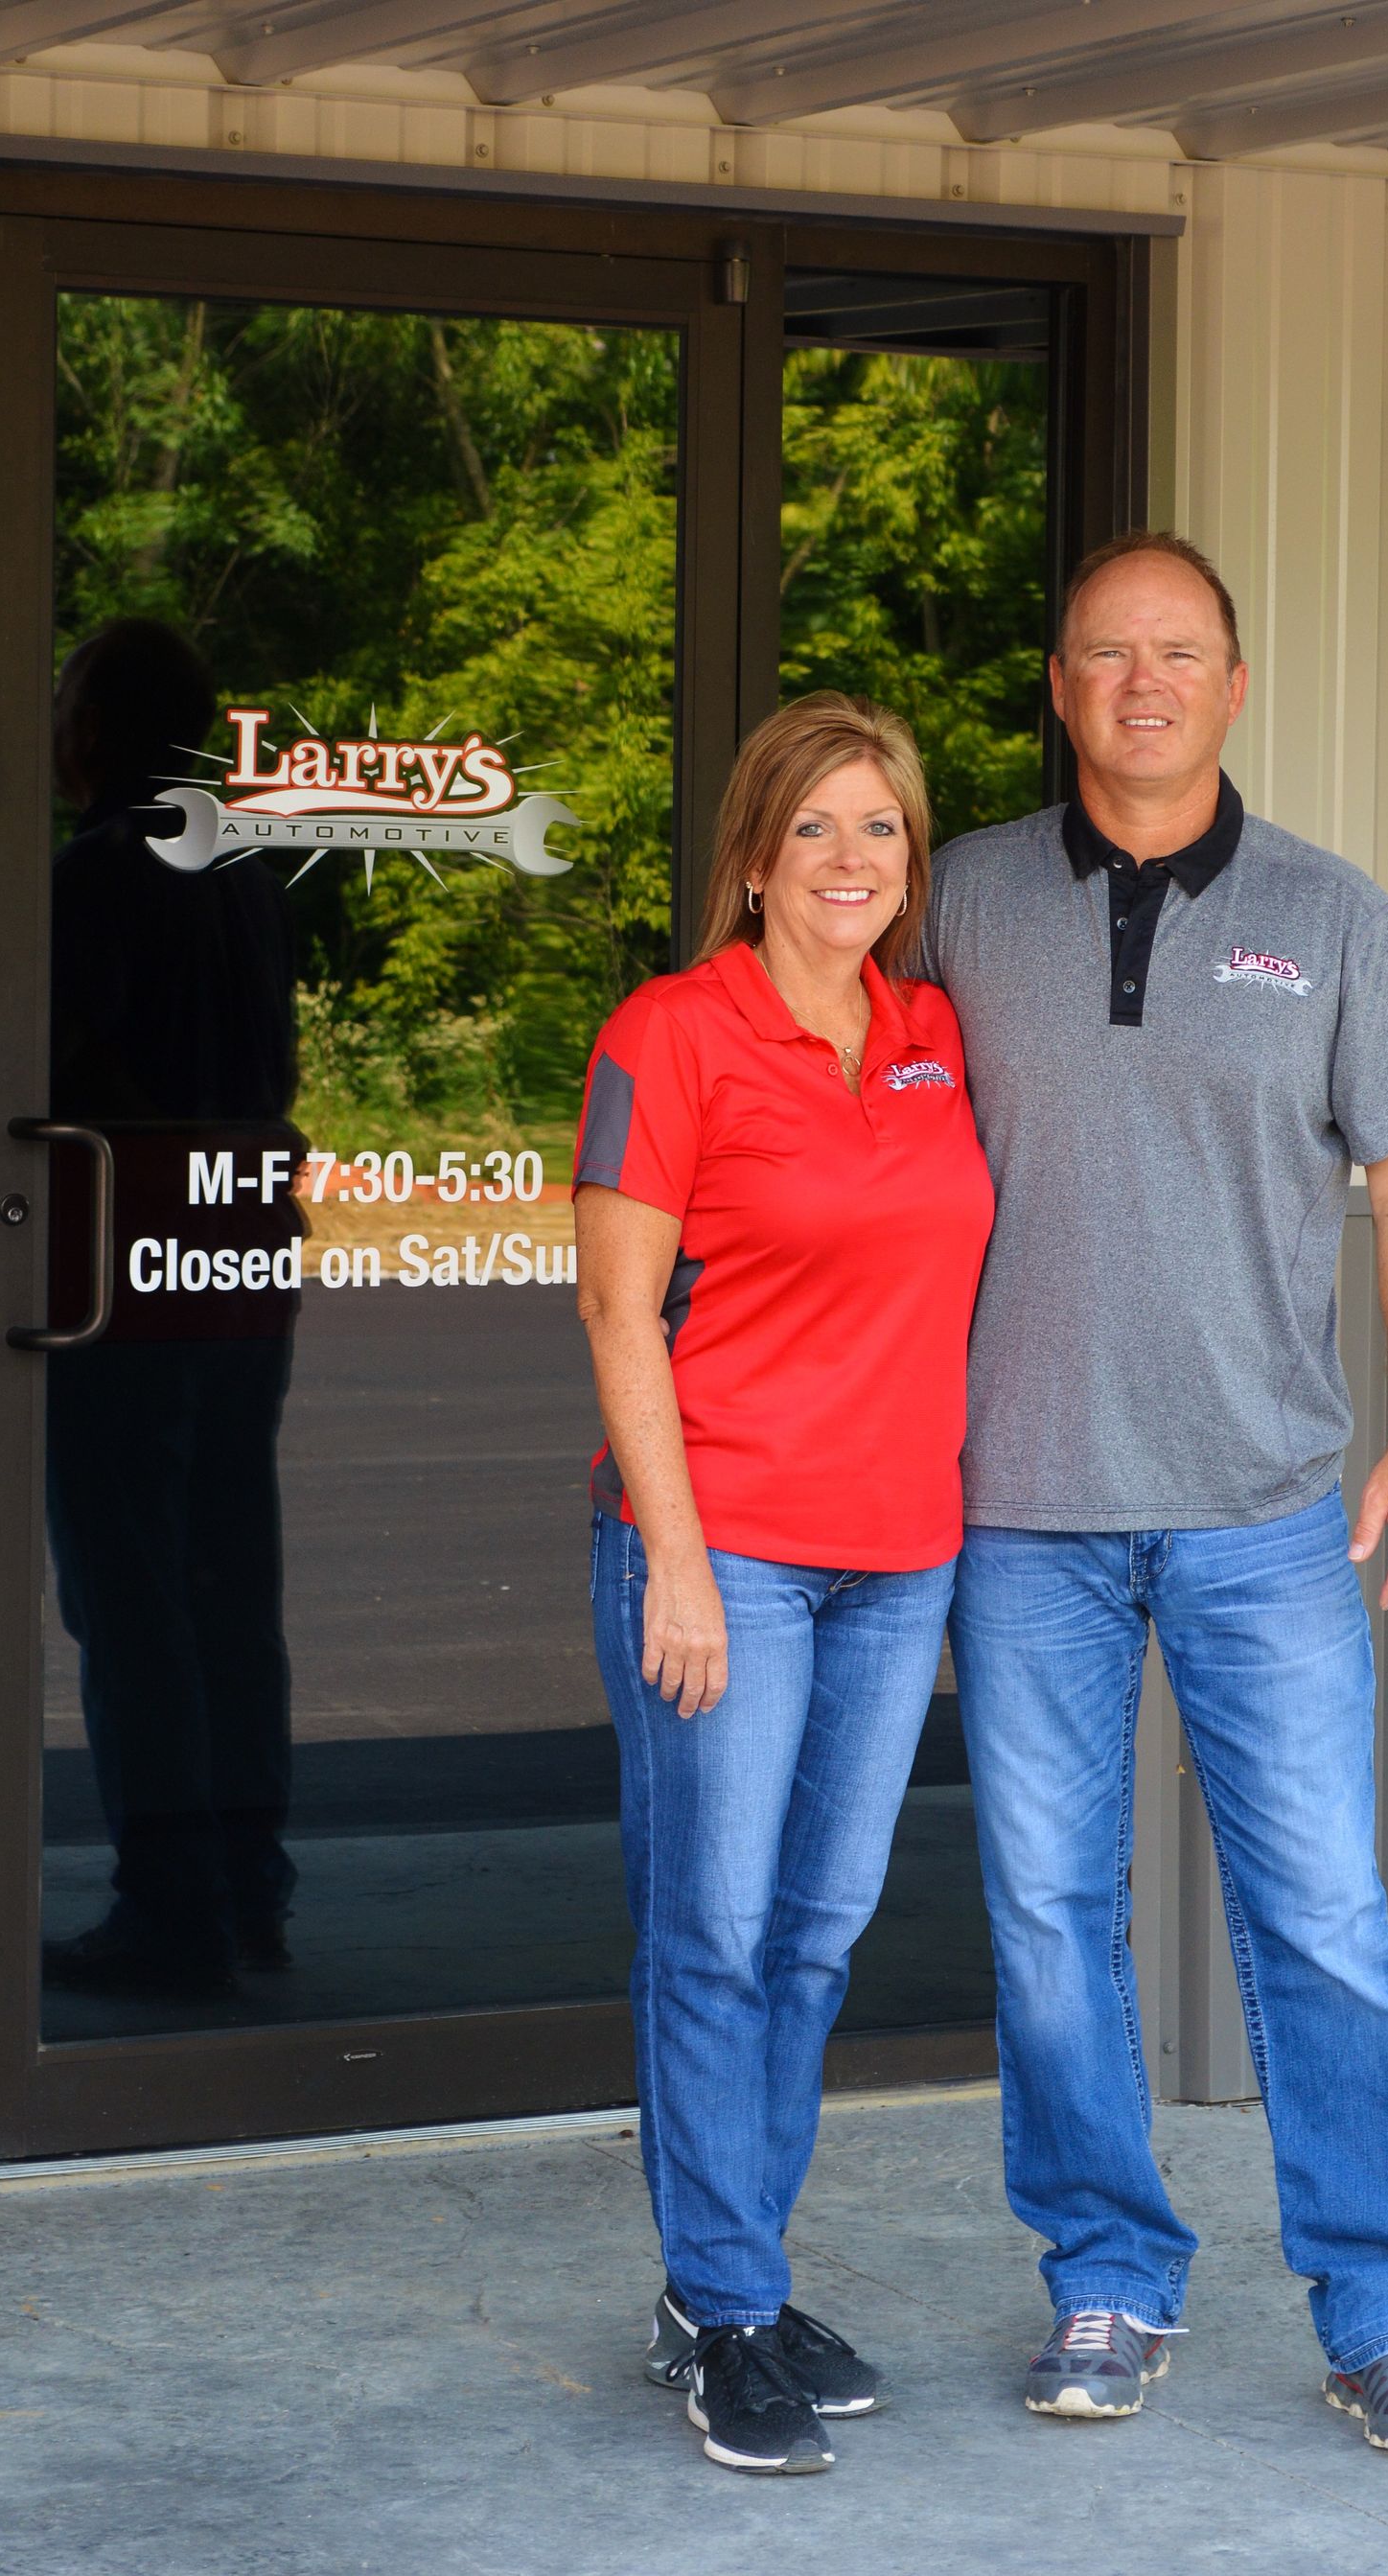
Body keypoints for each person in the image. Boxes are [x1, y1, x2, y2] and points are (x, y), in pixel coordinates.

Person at [919, 530, 1388, 2456]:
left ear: (1234, 685)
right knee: (1047, 1916)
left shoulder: (1330, 916)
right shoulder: (960, 903)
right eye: (1105, 653)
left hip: (1266, 1510)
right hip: (1021, 1511)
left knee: (1321, 1918)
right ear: (1060, 685)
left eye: (1179, 653)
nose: (1142, 683)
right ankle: (1104, 2275)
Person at [573, 692, 994, 2477]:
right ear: (752, 856)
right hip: (722, 1545)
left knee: (815, 1937)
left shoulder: (936, 1033)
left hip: (900, 1558)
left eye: (881, 829)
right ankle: (727, 2300)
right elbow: (615, 1310)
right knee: (716, 1933)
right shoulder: (667, 1036)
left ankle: (720, 2275)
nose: (850, 860)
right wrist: (674, 1558)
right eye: (814, 828)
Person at [42, 619, 304, 2006]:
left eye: (66, 694)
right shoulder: (243, 867)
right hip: (245, 1257)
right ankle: (247, 1881)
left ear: (98, 728)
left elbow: (51, 1061)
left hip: (123, 1266)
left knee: (129, 1587)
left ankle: (171, 1903)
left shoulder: (95, 876)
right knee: (221, 1572)